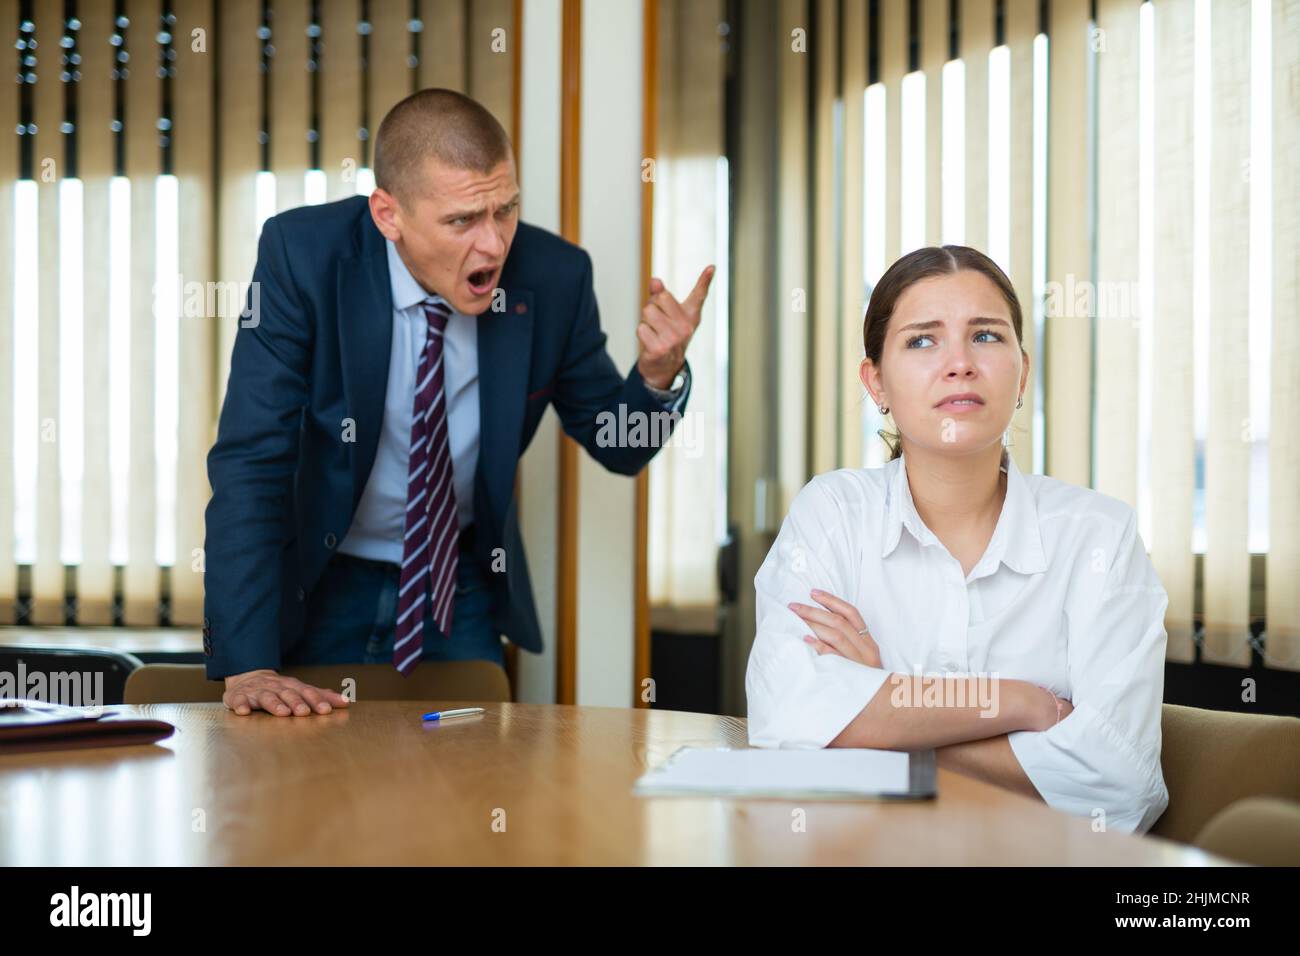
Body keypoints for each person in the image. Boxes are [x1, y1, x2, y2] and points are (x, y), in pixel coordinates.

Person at [204, 88, 714, 717]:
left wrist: (659, 377)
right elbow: (253, 460)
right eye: (462, 220)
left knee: (469, 794)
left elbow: (617, 445)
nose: (494, 244)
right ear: (388, 216)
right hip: (320, 577)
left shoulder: (553, 276)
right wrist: (247, 662)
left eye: (506, 210)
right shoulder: (302, 256)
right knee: (309, 790)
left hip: (459, 585)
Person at [746, 245, 1170, 834]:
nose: (959, 363)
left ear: (1023, 372)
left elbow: (1119, 782)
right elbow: (784, 720)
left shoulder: (1100, 534)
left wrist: (882, 714)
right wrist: (1019, 703)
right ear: (877, 383)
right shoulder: (834, 513)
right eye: (922, 340)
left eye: (986, 336)